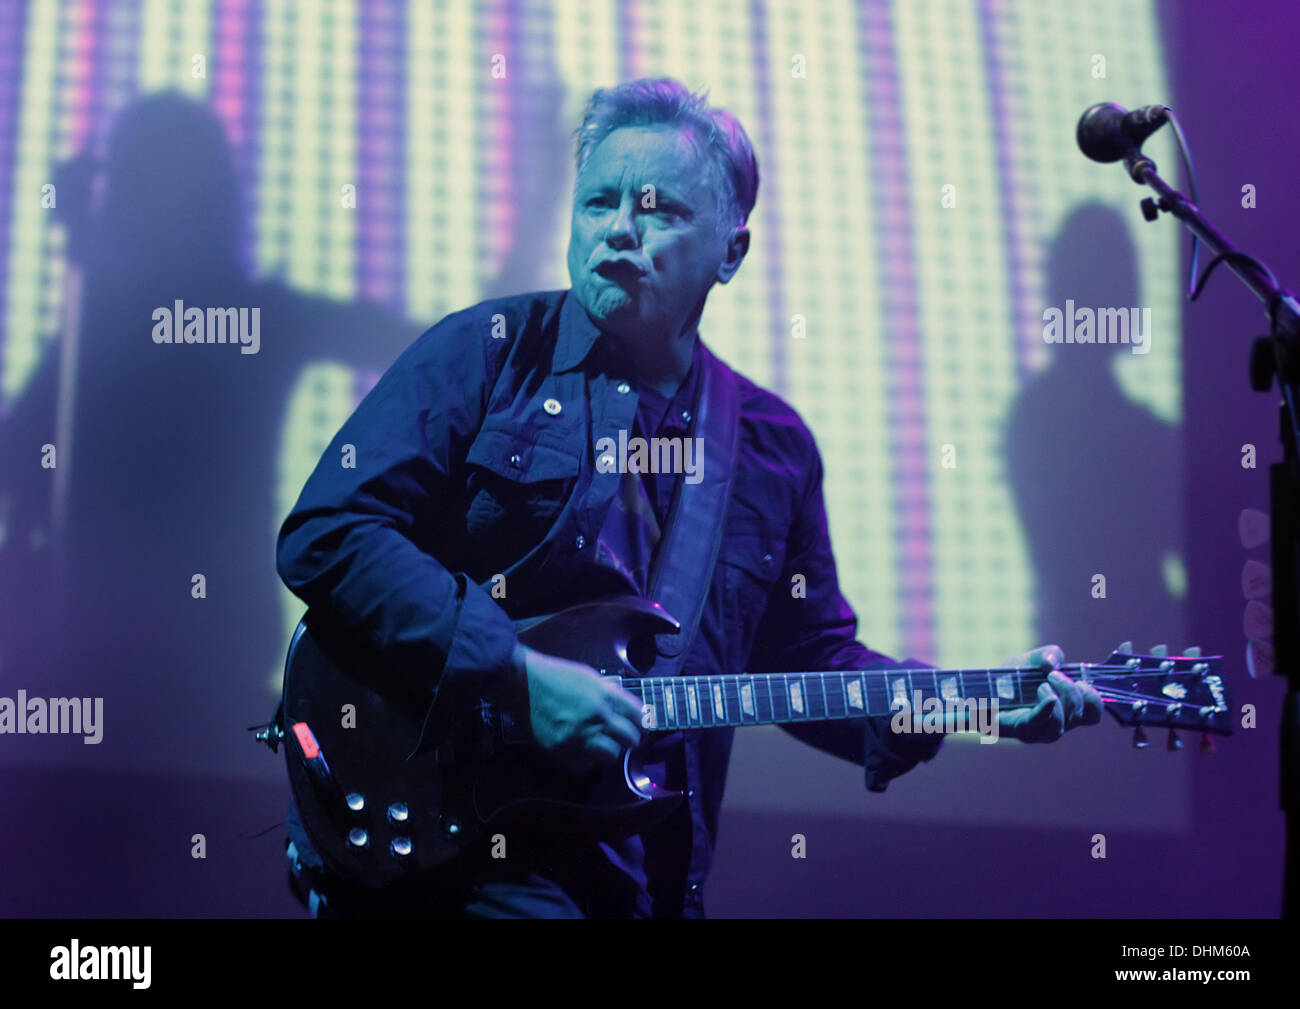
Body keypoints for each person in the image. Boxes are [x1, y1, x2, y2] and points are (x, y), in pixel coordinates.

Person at [275, 77, 1103, 919]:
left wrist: (983, 704)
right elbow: (328, 532)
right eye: (598, 202)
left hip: (642, 874)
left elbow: (811, 661)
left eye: (660, 210)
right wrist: (515, 674)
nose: (620, 230)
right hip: (447, 855)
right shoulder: (487, 355)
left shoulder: (771, 447)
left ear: (732, 253)